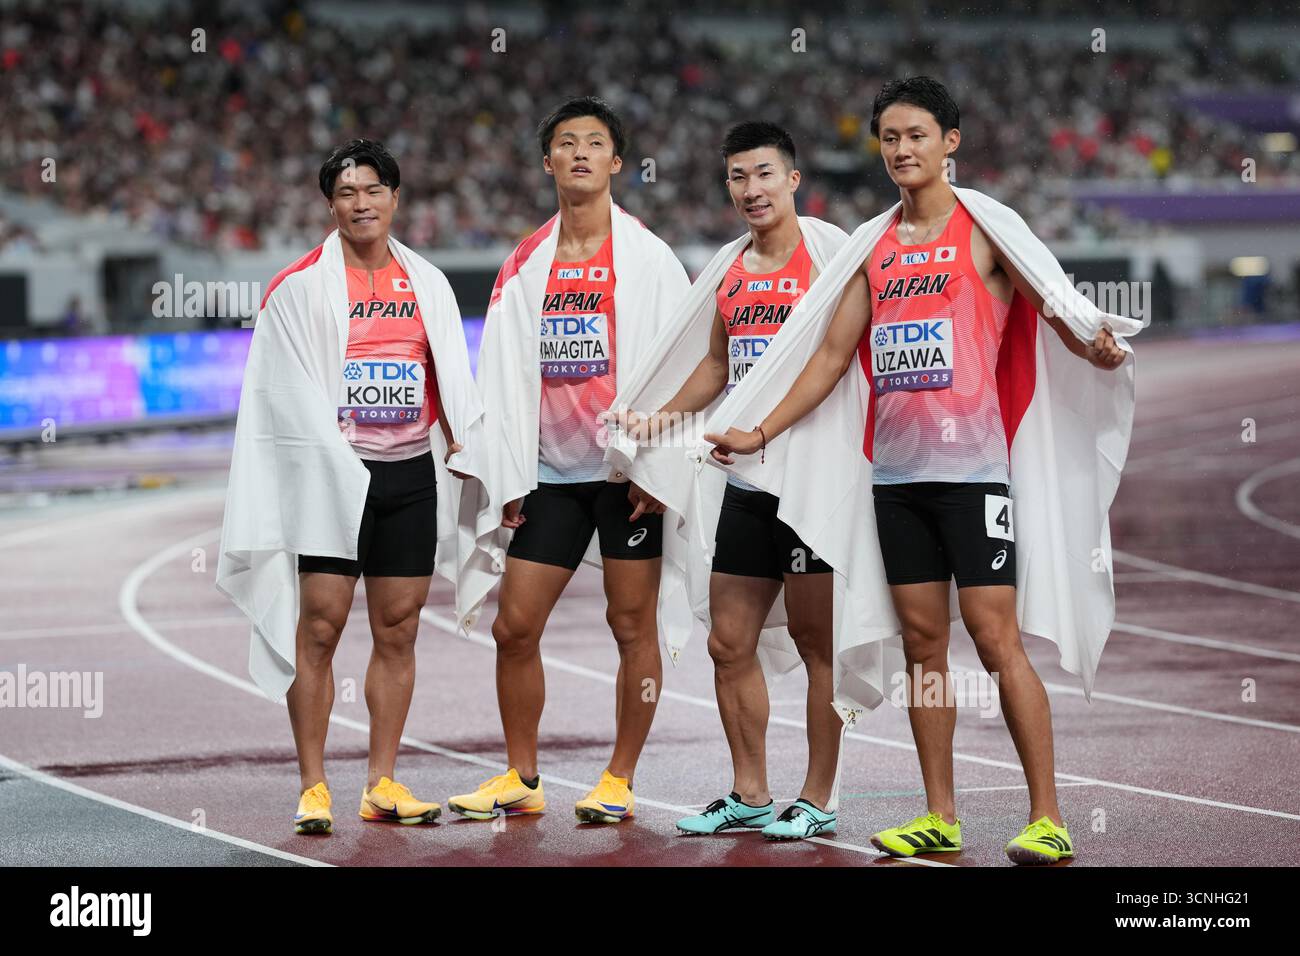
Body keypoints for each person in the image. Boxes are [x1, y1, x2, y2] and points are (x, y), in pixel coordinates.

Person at [704, 77, 1134, 865]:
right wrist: (758, 427)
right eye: (889, 138)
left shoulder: (985, 229)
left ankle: (1047, 815)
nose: (901, 150)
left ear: (950, 143)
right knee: (922, 650)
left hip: (973, 475)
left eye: (916, 136)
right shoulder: (873, 245)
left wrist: (1095, 342)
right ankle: (940, 814)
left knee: (996, 638)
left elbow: (1057, 304)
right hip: (897, 481)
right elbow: (833, 356)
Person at [216, 139, 486, 835]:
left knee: (398, 630)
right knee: (321, 629)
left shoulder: (427, 282)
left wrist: (470, 447)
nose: (361, 203)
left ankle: (381, 781)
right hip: (334, 481)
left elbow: (450, 377)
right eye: (346, 193)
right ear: (329, 204)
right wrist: (328, 452)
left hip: (407, 477)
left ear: (396, 199)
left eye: (373, 191)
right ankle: (312, 786)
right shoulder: (299, 286)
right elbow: (278, 393)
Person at [448, 97, 690, 824]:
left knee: (630, 627)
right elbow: (503, 369)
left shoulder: (647, 258)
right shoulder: (526, 263)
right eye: (564, 143)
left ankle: (618, 778)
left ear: (617, 163)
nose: (579, 153)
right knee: (513, 627)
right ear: (547, 161)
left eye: (594, 144)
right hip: (552, 475)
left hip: (625, 477)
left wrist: (661, 466)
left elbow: (683, 367)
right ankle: (522, 777)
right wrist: (508, 466)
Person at [619, 123, 847, 840]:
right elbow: (718, 368)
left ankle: (817, 796)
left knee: (819, 646)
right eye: (738, 178)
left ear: (792, 179)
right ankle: (750, 793)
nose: (751, 190)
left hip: (812, 481)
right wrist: (654, 423)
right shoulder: (730, 268)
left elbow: (842, 359)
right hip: (745, 482)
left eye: (763, 174)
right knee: (728, 641)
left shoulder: (832, 255)